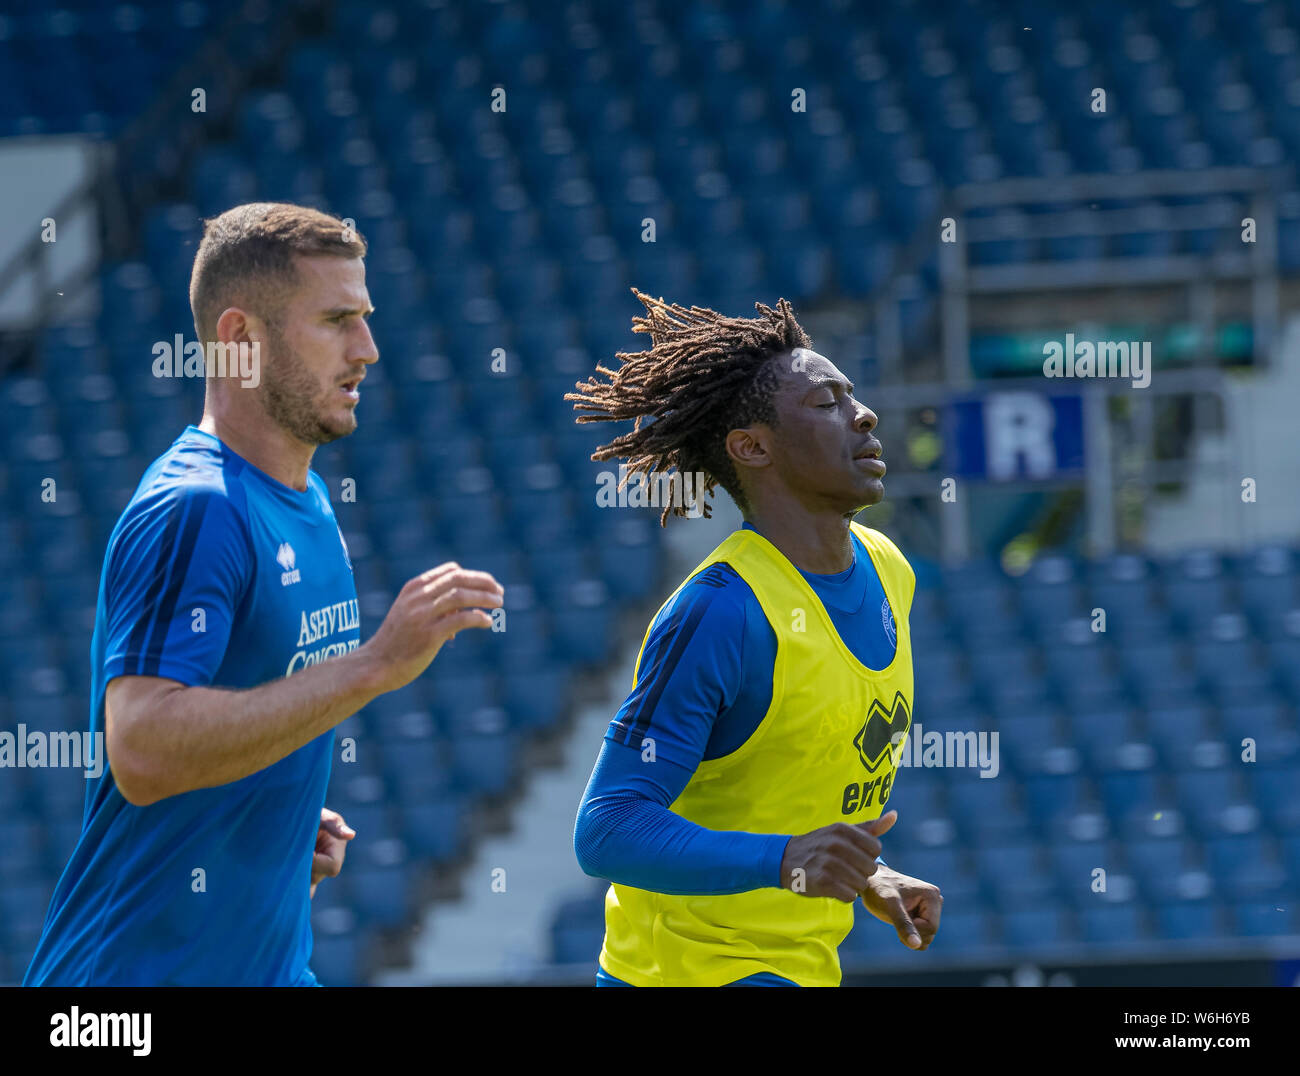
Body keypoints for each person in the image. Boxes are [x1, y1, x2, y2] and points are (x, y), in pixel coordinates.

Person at [25, 202, 503, 986]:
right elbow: (142, 747)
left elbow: (218, 727)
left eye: (366, 318)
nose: (368, 349)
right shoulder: (198, 506)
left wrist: (266, 822)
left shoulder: (307, 501)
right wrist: (375, 667)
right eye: (337, 320)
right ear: (241, 340)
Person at [569, 291, 940, 986]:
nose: (863, 415)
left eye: (852, 395)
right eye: (825, 403)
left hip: (796, 968)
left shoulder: (889, 571)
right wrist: (786, 861)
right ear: (752, 447)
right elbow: (608, 829)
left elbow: (785, 791)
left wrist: (869, 875)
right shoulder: (721, 613)